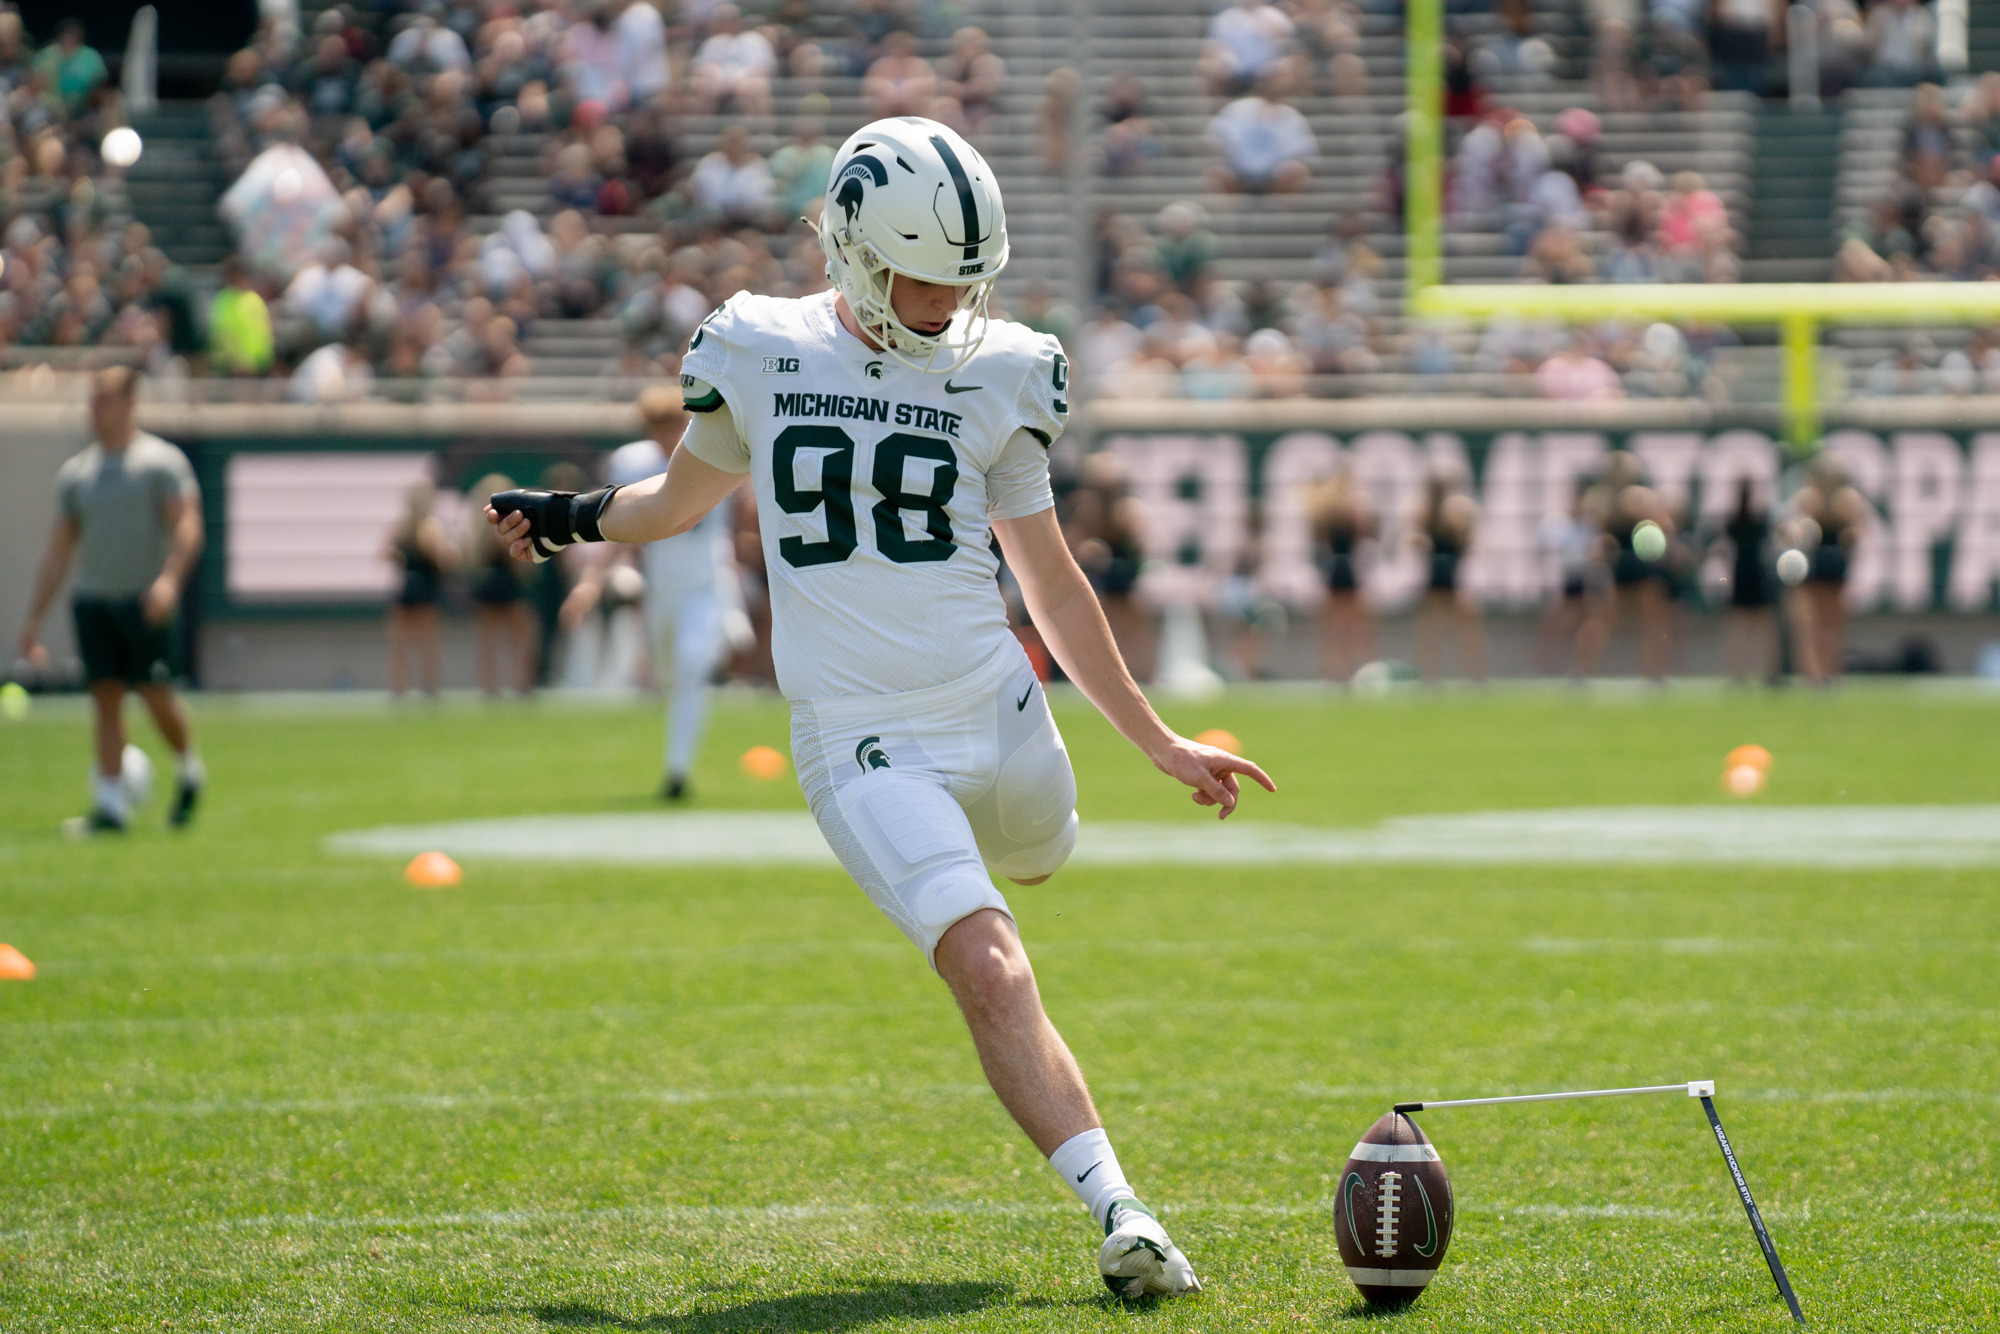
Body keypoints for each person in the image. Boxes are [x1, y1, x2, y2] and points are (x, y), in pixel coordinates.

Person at [486, 118, 1270, 1299]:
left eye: (966, 277)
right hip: (861, 737)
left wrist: (1155, 739)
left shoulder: (1001, 366)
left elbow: (1050, 580)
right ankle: (1124, 1212)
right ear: (853, 250)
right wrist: (568, 516)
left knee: (1040, 857)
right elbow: (675, 502)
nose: (949, 302)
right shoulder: (757, 345)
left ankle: (1024, 859)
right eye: (924, 275)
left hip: (994, 703)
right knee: (989, 963)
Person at [17, 368, 206, 832]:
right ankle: (111, 807)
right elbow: (59, 550)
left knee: (156, 695)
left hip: (144, 601)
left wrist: (169, 582)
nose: (95, 409)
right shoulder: (77, 473)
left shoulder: (160, 463)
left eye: (104, 400)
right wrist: (34, 618)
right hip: (94, 600)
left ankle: (189, 769)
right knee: (105, 699)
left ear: (129, 404)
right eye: (93, 400)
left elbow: (187, 526)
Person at [568, 386, 746, 799]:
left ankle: (677, 772)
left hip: (706, 584)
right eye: (659, 428)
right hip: (661, 589)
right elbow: (614, 526)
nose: (668, 437)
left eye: (674, 426)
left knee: (690, 664)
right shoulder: (633, 463)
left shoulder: (713, 449)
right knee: (669, 673)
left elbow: (737, 514)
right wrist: (591, 582)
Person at [1411, 470, 1486, 682]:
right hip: (1436, 579)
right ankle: (1431, 675)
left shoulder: (1457, 514)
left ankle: (1474, 674)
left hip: (1453, 578)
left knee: (1465, 628)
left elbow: (1467, 540)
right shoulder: (1426, 514)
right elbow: (1416, 541)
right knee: (1431, 630)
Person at [467, 472, 537, 696]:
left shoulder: (478, 528)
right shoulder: (498, 527)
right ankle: (520, 684)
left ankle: (493, 687)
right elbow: (511, 555)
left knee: (491, 639)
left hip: (490, 582)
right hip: (505, 582)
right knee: (517, 636)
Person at [384, 479, 456, 697]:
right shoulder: (406, 528)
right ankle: (403, 686)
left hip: (423, 585)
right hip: (412, 585)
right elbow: (387, 554)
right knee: (405, 641)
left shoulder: (427, 527)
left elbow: (444, 558)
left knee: (424, 641)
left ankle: (425, 686)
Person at [1309, 470, 1377, 681]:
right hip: (1346, 569)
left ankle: (1335, 671)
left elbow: (1321, 540)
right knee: (1352, 626)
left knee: (1335, 627)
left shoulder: (1326, 511)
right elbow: (1361, 534)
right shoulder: (1347, 512)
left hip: (1334, 568)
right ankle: (1349, 669)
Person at [1717, 478, 1775, 683]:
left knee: (1741, 626)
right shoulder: (1759, 520)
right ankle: (1765, 672)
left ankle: (1738, 673)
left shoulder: (1734, 520)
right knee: (1760, 627)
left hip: (1741, 572)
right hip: (1756, 572)